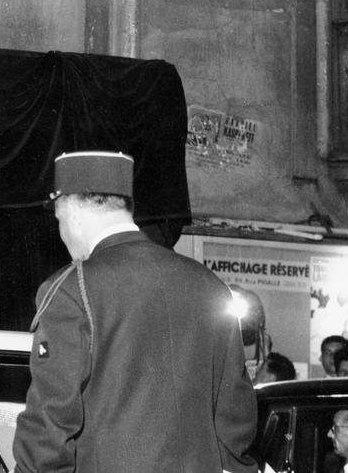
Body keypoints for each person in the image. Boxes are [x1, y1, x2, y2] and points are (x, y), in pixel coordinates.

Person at [13, 151, 257, 473]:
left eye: (59, 219)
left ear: (72, 210)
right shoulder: (210, 285)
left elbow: (49, 424)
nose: (62, 233)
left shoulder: (73, 288)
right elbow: (235, 419)